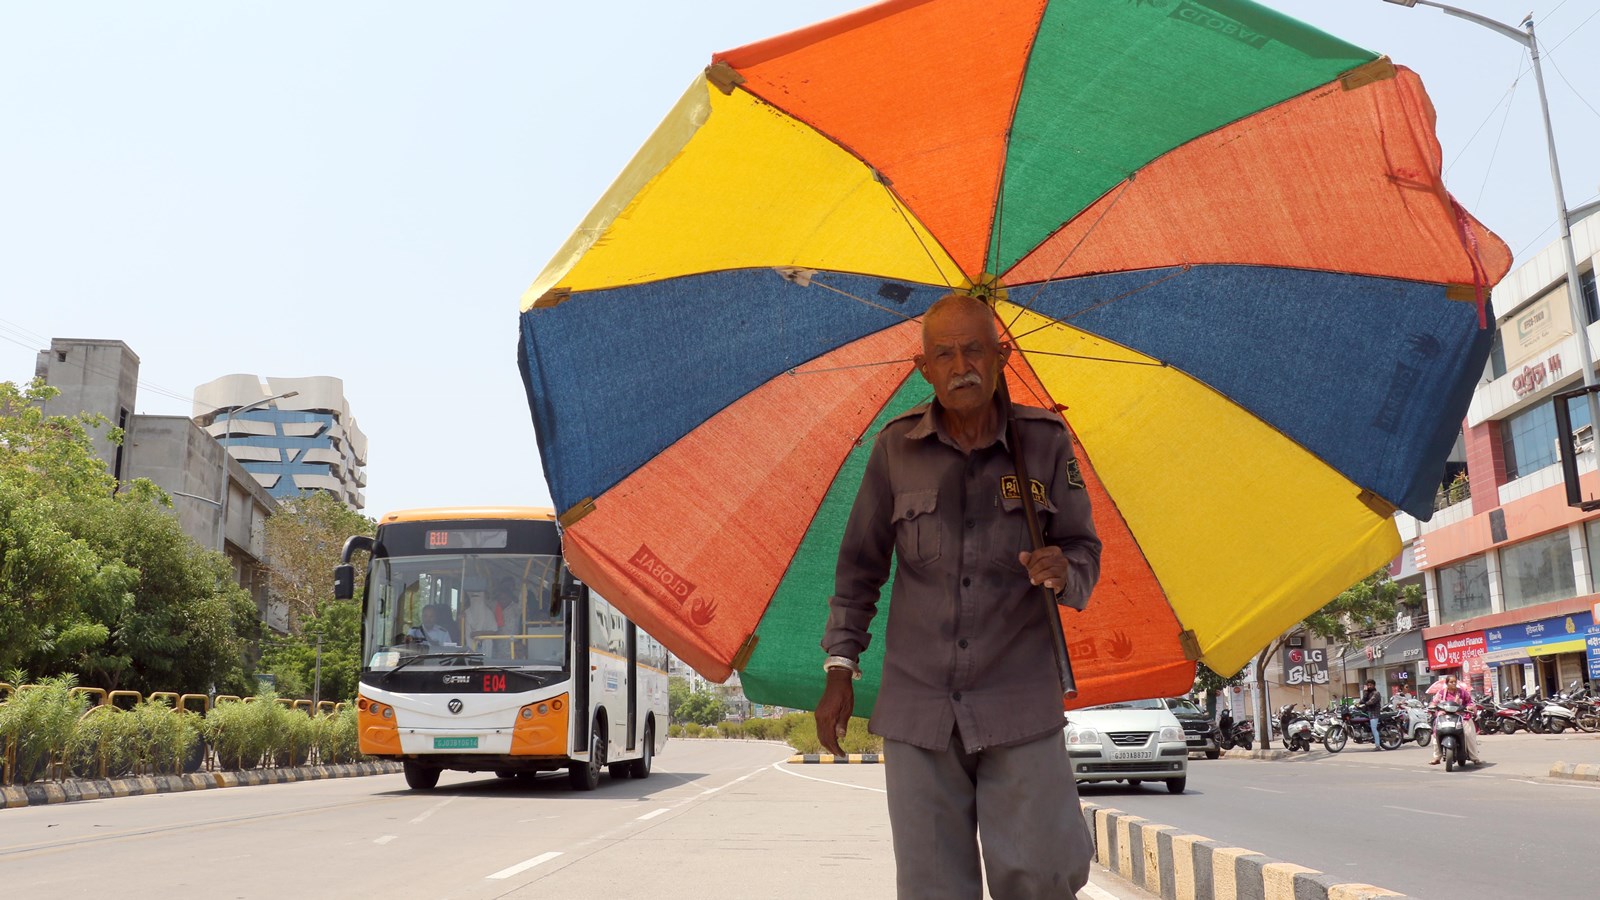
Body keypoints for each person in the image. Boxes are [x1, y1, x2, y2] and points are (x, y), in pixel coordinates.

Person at [815, 293, 1102, 899]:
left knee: (1043, 878)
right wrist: (840, 667)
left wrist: (1063, 570)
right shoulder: (896, 448)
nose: (960, 366)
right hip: (919, 708)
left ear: (1002, 356)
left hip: (1020, 702)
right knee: (932, 888)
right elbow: (859, 569)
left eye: (974, 350)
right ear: (924, 368)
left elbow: (1084, 551)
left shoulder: (1045, 442)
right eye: (943, 354)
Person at [1429, 674, 1484, 765]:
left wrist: (1470, 707)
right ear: (1447, 683)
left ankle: (1474, 757)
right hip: (1444, 716)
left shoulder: (1462, 692)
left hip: (1461, 716)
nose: (1453, 683)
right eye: (1451, 682)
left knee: (1469, 733)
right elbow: (1434, 702)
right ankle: (1436, 757)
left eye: (1455, 682)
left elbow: (1470, 702)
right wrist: (1432, 706)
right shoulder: (1441, 693)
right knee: (1436, 733)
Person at [1360, 679, 1384, 749]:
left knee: (1374, 728)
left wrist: (1364, 704)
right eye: (1368, 685)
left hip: (1374, 713)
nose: (1369, 686)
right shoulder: (1367, 693)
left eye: (1371, 685)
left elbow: (1371, 701)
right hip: (1368, 712)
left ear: (1374, 685)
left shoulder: (1376, 693)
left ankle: (1377, 745)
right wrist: (1357, 704)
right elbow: (1363, 700)